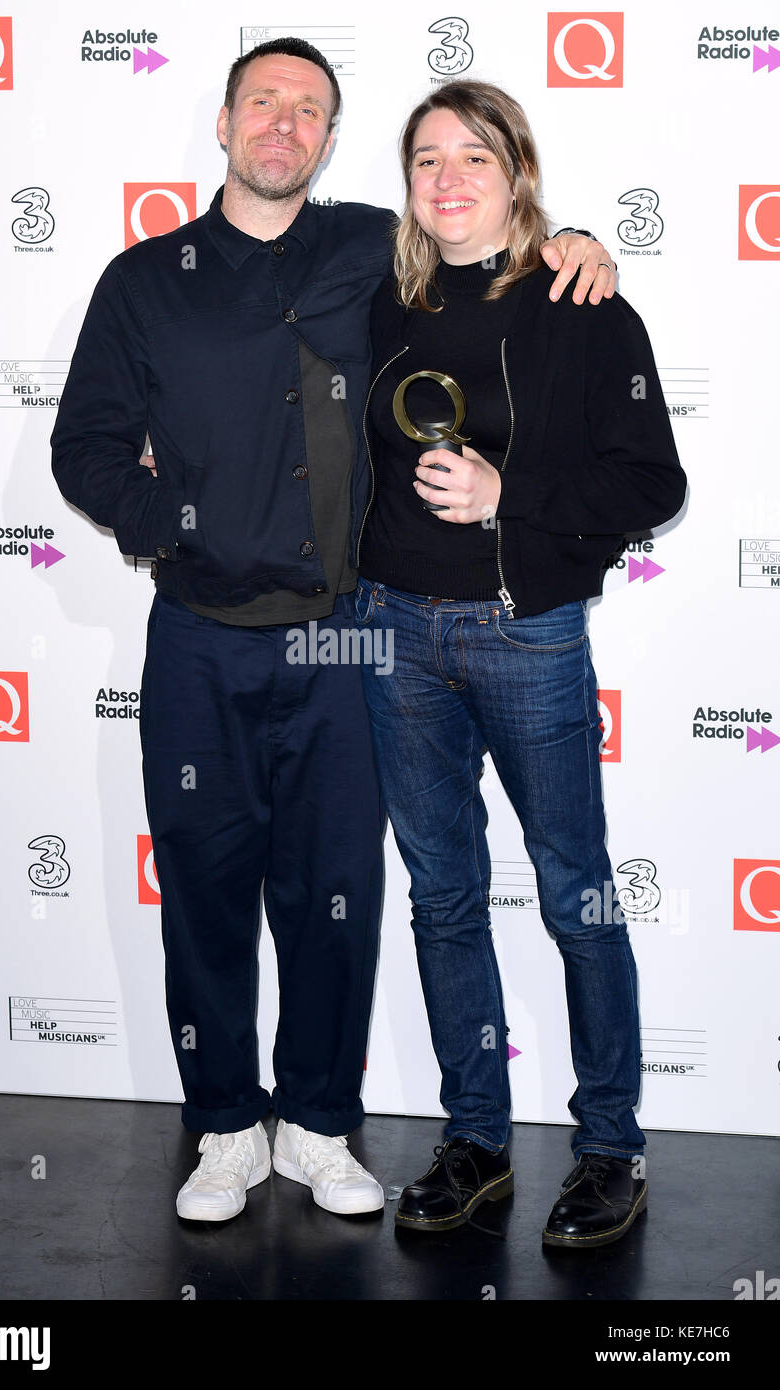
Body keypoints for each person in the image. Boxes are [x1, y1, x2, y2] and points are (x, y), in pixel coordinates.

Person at [50, 37, 619, 1224]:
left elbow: (488, 254)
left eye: (309, 111)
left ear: (326, 140)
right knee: (206, 889)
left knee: (335, 891)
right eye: (263, 102)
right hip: (199, 634)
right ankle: (220, 1125)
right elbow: (85, 445)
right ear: (222, 123)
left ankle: (315, 1120)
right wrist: (175, 523)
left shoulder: (374, 252)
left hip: (348, 633)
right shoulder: (144, 278)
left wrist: (573, 242)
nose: (282, 125)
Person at [356, 80, 686, 1247]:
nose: (447, 179)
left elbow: (653, 484)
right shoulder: (377, 294)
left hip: (524, 633)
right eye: (426, 160)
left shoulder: (580, 302)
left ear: (515, 175)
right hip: (390, 633)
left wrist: (510, 497)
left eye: (472, 159)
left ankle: (608, 1146)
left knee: (576, 897)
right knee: (442, 900)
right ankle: (474, 1138)